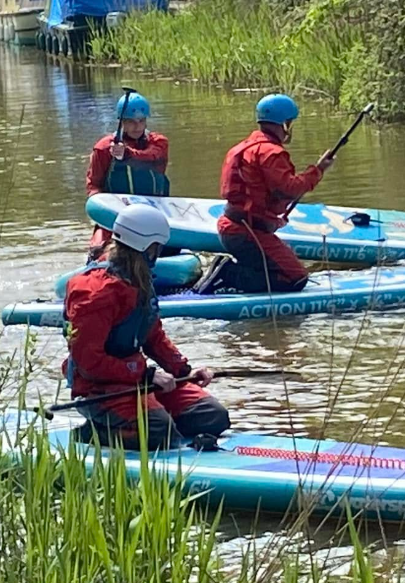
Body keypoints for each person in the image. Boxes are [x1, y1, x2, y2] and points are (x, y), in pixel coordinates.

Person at [63, 203, 230, 451]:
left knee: (212, 416)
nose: (160, 253)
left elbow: (153, 336)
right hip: (98, 390)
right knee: (158, 431)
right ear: (148, 248)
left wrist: (186, 370)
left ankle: (156, 424)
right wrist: (146, 375)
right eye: (158, 248)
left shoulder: (138, 279)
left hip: (136, 380)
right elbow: (88, 362)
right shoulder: (95, 293)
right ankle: (93, 433)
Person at [200, 94, 333, 294]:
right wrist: (318, 170)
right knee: (296, 278)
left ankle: (235, 273)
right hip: (246, 233)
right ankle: (229, 273)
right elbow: (288, 188)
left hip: (237, 228)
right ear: (285, 124)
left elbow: (258, 194)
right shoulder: (270, 152)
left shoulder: (243, 147)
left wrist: (270, 218)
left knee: (279, 268)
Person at [85, 92, 171, 256]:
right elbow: (94, 186)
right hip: (118, 215)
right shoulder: (104, 148)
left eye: (141, 121)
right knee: (97, 250)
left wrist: (126, 155)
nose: (137, 127)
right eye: (131, 122)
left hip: (153, 214)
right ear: (121, 121)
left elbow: (151, 159)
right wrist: (104, 212)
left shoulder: (159, 143)